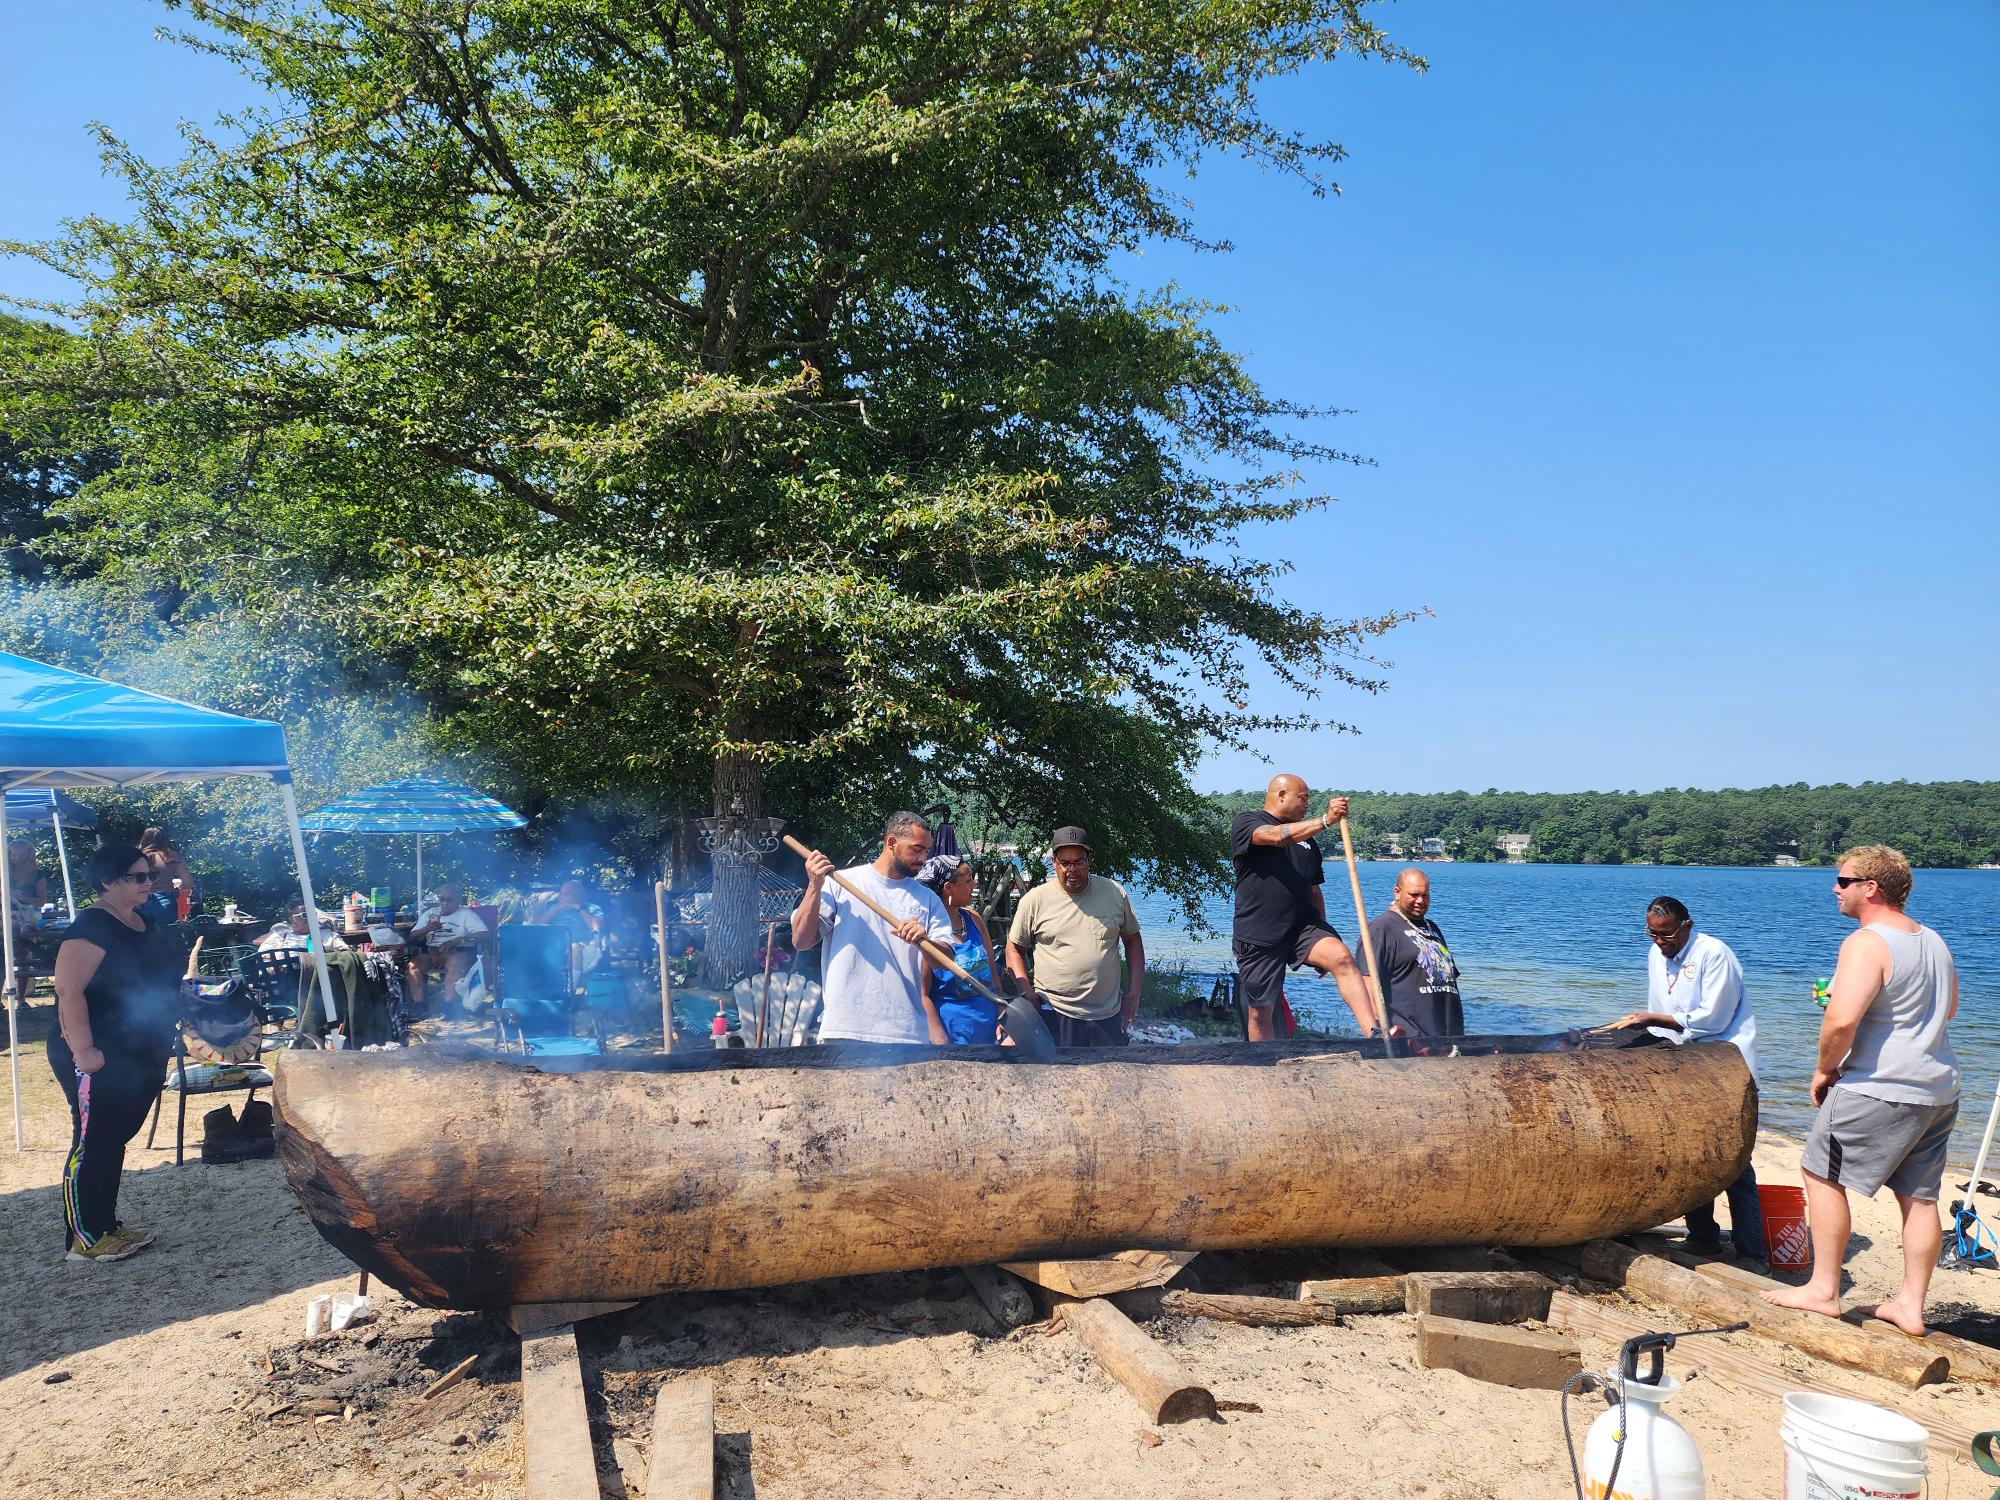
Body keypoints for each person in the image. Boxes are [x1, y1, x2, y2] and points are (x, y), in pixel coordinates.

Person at [1763, 846, 1959, 1335]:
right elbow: (1946, 1009)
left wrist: (1824, 1069)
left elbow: (1842, 1019)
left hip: (1880, 1085)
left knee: (1819, 1172)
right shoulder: (1932, 939)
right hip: (1937, 1089)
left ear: (1870, 888)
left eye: (1843, 880)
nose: (1835, 887)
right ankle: (1910, 1306)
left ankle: (1823, 1289)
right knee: (1920, 1197)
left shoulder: (1867, 942)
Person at [49, 844, 185, 1262]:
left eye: (149, 876)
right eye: (137, 877)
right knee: (93, 1142)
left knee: (115, 1138)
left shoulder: (142, 920)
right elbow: (68, 990)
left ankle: (106, 1224)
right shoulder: (92, 925)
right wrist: (84, 1049)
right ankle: (85, 1238)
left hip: (139, 1047)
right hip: (97, 1051)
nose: (148, 883)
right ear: (108, 881)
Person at [1612, 896, 1764, 1264]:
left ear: (1687, 926)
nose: (1661, 941)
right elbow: (1659, 1006)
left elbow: (1714, 1017)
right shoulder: (1655, 954)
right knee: (1693, 1151)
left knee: (1734, 1159)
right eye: (1653, 934)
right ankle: (1703, 1236)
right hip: (1683, 1062)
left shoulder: (1714, 954)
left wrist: (1653, 1019)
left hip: (1725, 1063)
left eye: (1667, 935)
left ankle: (1753, 1250)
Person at [1229, 775, 1380, 1041]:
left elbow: (1313, 889)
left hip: (1302, 927)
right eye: (1304, 798)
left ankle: (1375, 1033)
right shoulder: (1248, 821)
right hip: (1259, 933)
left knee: (1341, 957)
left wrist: (1324, 930)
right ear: (1282, 794)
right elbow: (1274, 837)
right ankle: (1263, 1065)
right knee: (1261, 1011)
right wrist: (1325, 821)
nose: (1307, 804)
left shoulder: (1308, 841)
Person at [792, 811, 955, 1044]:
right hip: (845, 1030)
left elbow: (946, 959)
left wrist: (925, 942)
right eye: (917, 849)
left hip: (906, 1034)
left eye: (927, 851)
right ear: (891, 843)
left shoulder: (928, 899)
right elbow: (801, 940)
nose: (923, 858)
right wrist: (814, 886)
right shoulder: (841, 883)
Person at [1004, 827, 1144, 1047]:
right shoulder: (1035, 900)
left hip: (1106, 1014)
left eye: (1079, 862)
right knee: (1058, 1079)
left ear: (1090, 860)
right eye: (1065, 863)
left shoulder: (1114, 892)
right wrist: (1027, 993)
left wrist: (1134, 993)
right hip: (1054, 1012)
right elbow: (1013, 949)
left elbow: (1133, 941)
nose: (1072, 870)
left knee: (1110, 1077)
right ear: (1054, 863)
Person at [1359, 868, 1464, 1038]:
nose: (1420, 901)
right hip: (1409, 1038)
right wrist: (1377, 1029)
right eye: (1414, 895)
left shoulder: (1432, 928)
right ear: (1397, 892)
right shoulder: (1381, 929)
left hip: (1448, 1035)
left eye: (1425, 895)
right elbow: (1367, 983)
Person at [917, 854, 1002, 1045]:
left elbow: (992, 973)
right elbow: (923, 994)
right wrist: (939, 1038)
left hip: (990, 1032)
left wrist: (1003, 1016)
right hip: (954, 1035)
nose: (974, 885)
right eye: (968, 880)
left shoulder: (973, 919)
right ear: (948, 888)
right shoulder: (929, 933)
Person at [405, 883, 488, 1007]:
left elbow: (484, 933)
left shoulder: (466, 914)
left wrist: (456, 941)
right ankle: (419, 1005)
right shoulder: (431, 913)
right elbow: (412, 937)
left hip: (457, 952)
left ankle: (449, 1004)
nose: (444, 903)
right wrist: (427, 928)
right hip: (432, 952)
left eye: (449, 900)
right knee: (413, 966)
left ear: (458, 900)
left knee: (454, 963)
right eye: (441, 899)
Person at [137, 827, 192, 923]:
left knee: (143, 936)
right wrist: (178, 887)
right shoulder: (173, 857)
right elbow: (188, 883)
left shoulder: (137, 858)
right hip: (165, 899)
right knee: (168, 935)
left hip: (140, 901)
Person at [258, 898, 348, 955]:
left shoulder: (329, 936)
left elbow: (347, 955)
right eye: (304, 915)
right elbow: (263, 957)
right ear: (291, 919)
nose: (309, 918)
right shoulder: (280, 937)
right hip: (288, 982)